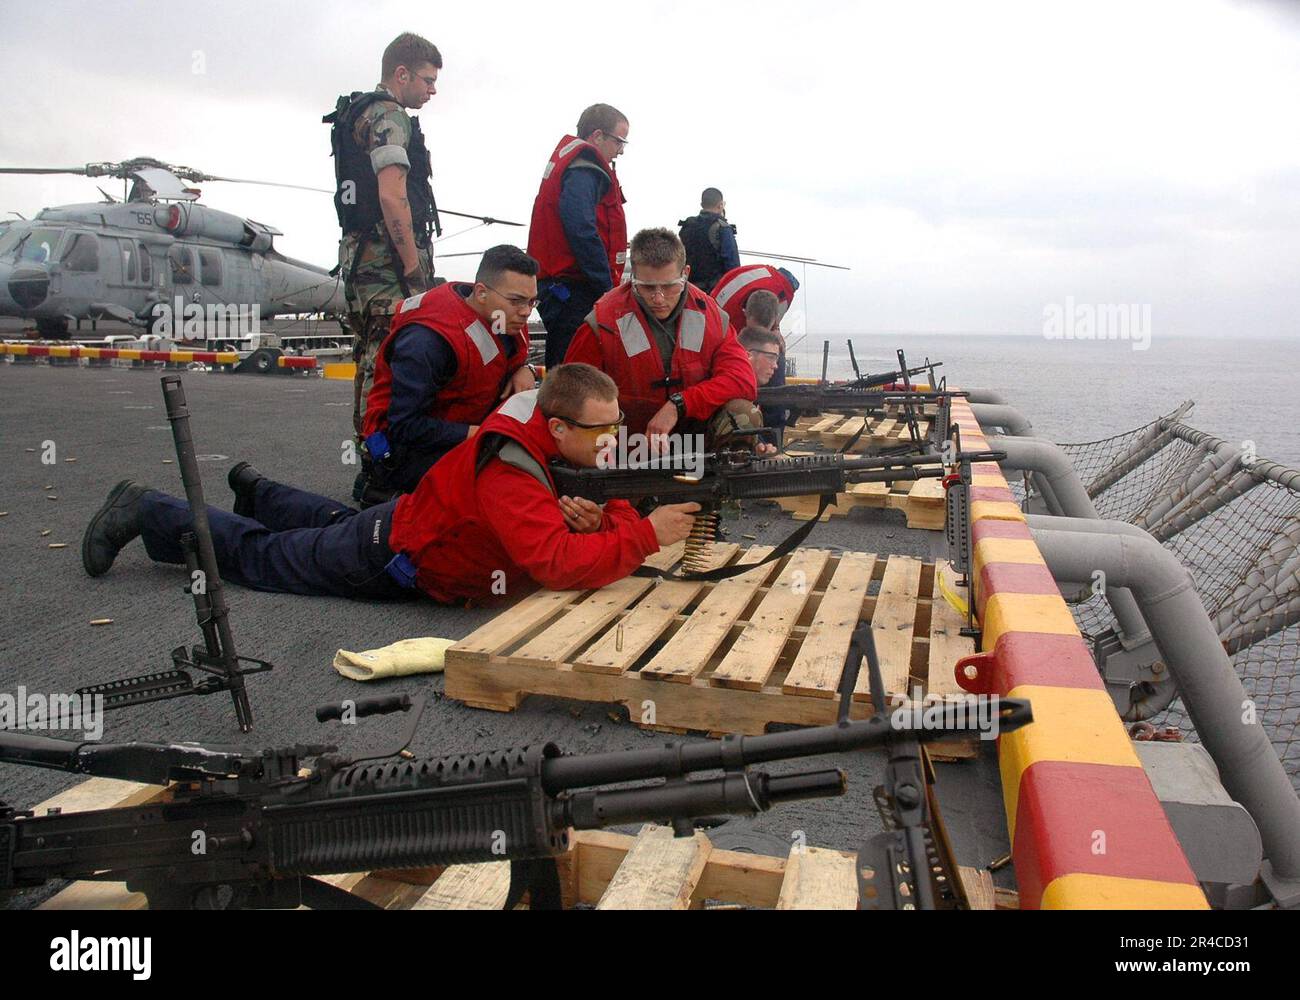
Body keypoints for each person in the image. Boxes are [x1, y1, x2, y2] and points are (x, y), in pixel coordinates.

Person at [81, 365, 701, 606]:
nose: (616, 436)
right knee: (262, 558)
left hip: (412, 519)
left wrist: (614, 523)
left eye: (619, 423)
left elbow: (610, 501)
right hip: (399, 554)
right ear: (559, 424)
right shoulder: (514, 468)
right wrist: (644, 536)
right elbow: (556, 562)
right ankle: (148, 509)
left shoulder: (563, 437)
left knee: (326, 525)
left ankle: (257, 489)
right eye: (605, 428)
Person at [325, 32, 443, 438]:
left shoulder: (357, 112)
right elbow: (393, 196)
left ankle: (369, 450)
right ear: (401, 73)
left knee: (369, 354)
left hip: (359, 256)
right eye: (427, 80)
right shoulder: (389, 117)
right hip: (386, 262)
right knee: (388, 358)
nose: (432, 90)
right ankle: (379, 460)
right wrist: (413, 269)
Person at [355, 245, 539, 504]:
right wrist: (482, 434)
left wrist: (525, 368)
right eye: (516, 301)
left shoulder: (506, 321)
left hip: (467, 428)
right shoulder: (427, 342)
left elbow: (503, 359)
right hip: (410, 450)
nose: (526, 311)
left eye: (532, 301)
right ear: (481, 293)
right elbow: (404, 426)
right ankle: (384, 490)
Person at [563, 228, 758, 450]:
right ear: (632, 277)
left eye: (669, 286)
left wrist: (679, 405)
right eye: (646, 287)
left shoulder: (712, 317)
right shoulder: (601, 324)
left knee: (744, 414)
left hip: (694, 440)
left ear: (686, 273)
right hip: (626, 447)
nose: (658, 298)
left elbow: (742, 380)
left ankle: (724, 479)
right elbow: (570, 396)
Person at [527, 104, 630, 371]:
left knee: (567, 366)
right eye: (619, 141)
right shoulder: (585, 169)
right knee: (571, 370)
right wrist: (607, 289)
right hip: (573, 291)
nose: (621, 150)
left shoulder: (576, 166)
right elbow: (581, 228)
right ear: (597, 136)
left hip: (565, 287)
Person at [678, 188, 739, 296]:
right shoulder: (722, 228)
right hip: (715, 292)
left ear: (702, 204)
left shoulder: (687, 225)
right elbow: (733, 266)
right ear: (720, 205)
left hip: (688, 291)